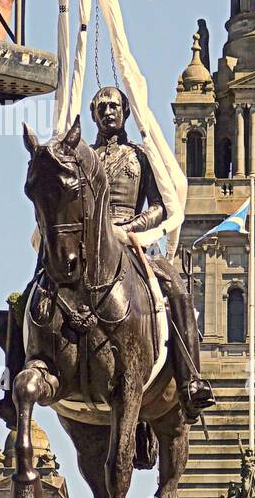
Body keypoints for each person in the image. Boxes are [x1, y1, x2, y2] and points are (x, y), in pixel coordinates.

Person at [88, 86, 215, 421]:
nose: (108, 112)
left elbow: (160, 205)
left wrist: (131, 228)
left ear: (126, 111)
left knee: (178, 292)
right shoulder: (83, 156)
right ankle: (16, 374)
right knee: (42, 285)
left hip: (132, 238)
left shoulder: (141, 155)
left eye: (114, 106)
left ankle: (191, 382)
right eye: (101, 107)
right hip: (88, 241)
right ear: (92, 114)